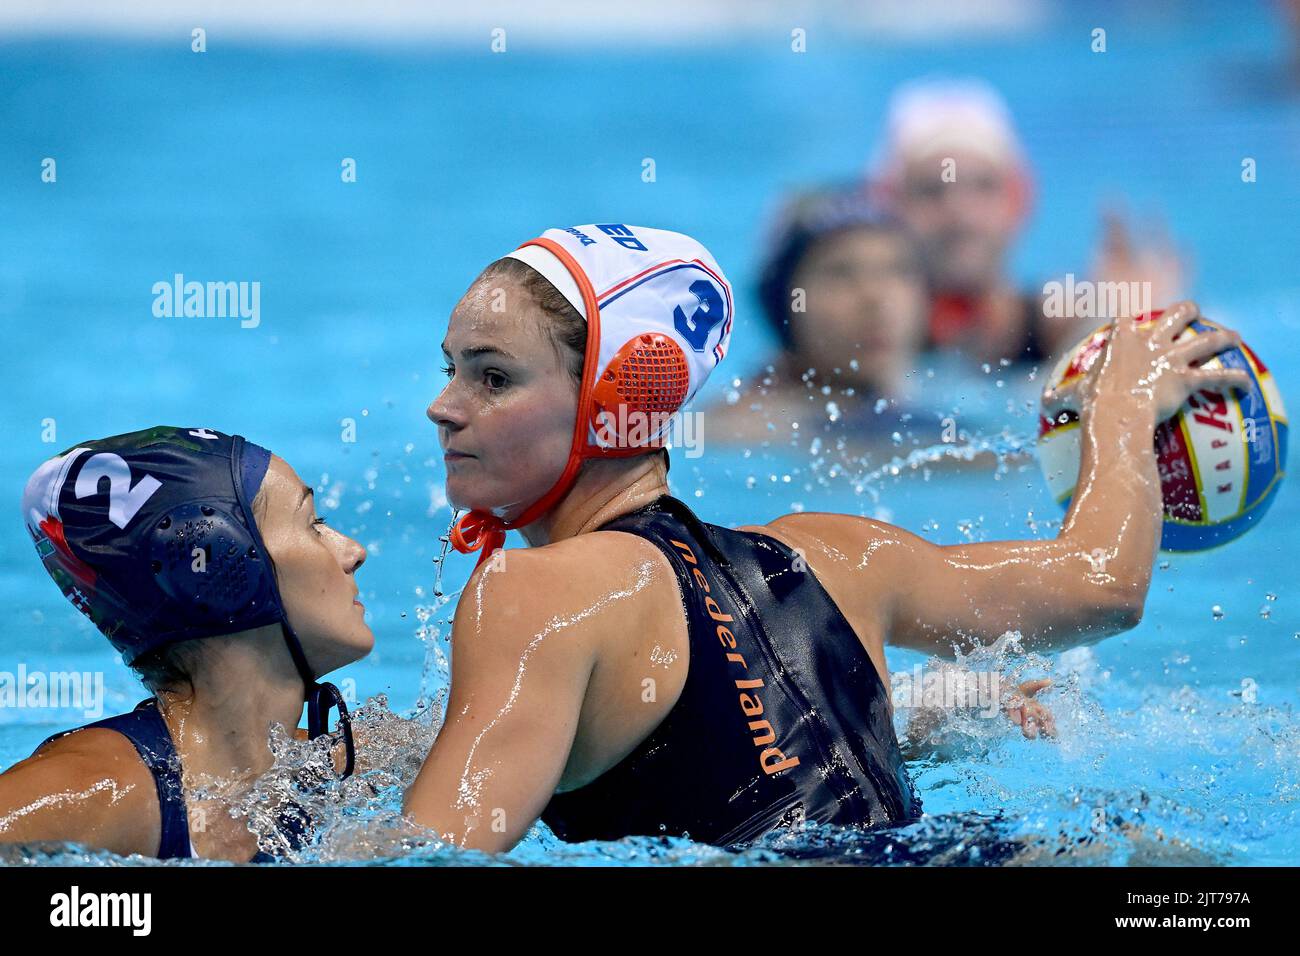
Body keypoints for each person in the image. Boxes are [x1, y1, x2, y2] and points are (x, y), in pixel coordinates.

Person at [402, 222, 1249, 851]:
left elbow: (426, 859)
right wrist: (1124, 409)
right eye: (453, 370)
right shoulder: (833, 551)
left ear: (611, 394)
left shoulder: (532, 595)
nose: (447, 407)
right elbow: (1101, 583)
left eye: (493, 377)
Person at [0, 426, 369, 861]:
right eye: (314, 525)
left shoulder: (337, 771)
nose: (354, 551)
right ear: (220, 564)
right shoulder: (89, 793)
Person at [869, 78, 1183, 366]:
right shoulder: (861, 335)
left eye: (983, 187)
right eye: (932, 191)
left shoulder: (1061, 319)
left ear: (1018, 201)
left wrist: (1130, 321)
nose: (960, 214)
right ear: (889, 207)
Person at [704, 186, 943, 457]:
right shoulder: (742, 433)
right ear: (784, 302)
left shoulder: (923, 394)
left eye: (898, 270)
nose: (876, 298)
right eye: (840, 273)